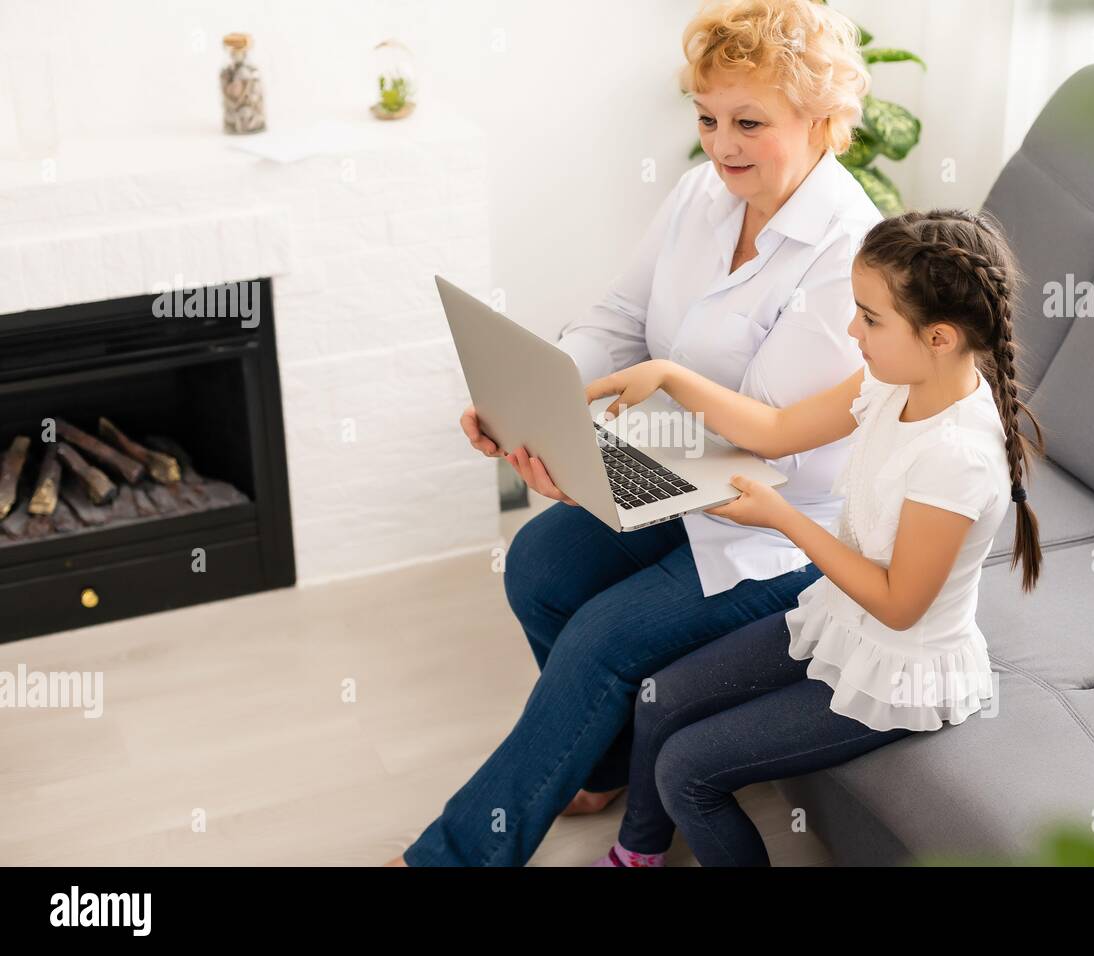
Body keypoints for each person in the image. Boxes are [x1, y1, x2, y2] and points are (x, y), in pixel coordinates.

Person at [391, 0, 881, 866]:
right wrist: (528, 408)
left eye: (749, 122)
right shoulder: (703, 193)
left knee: (601, 639)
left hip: (776, 525)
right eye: (707, 117)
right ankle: (605, 757)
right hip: (679, 476)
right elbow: (619, 321)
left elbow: (766, 439)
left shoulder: (850, 252)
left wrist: (599, 453)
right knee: (539, 565)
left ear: (826, 121)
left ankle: (458, 856)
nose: (721, 143)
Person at [582, 208, 1045, 866]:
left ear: (939, 337)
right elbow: (774, 430)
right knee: (660, 700)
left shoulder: (957, 457)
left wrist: (782, 516)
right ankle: (636, 856)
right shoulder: (894, 379)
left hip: (901, 673)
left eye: (871, 318)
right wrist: (671, 377)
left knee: (687, 770)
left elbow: (898, 604)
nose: (852, 330)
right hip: (839, 618)